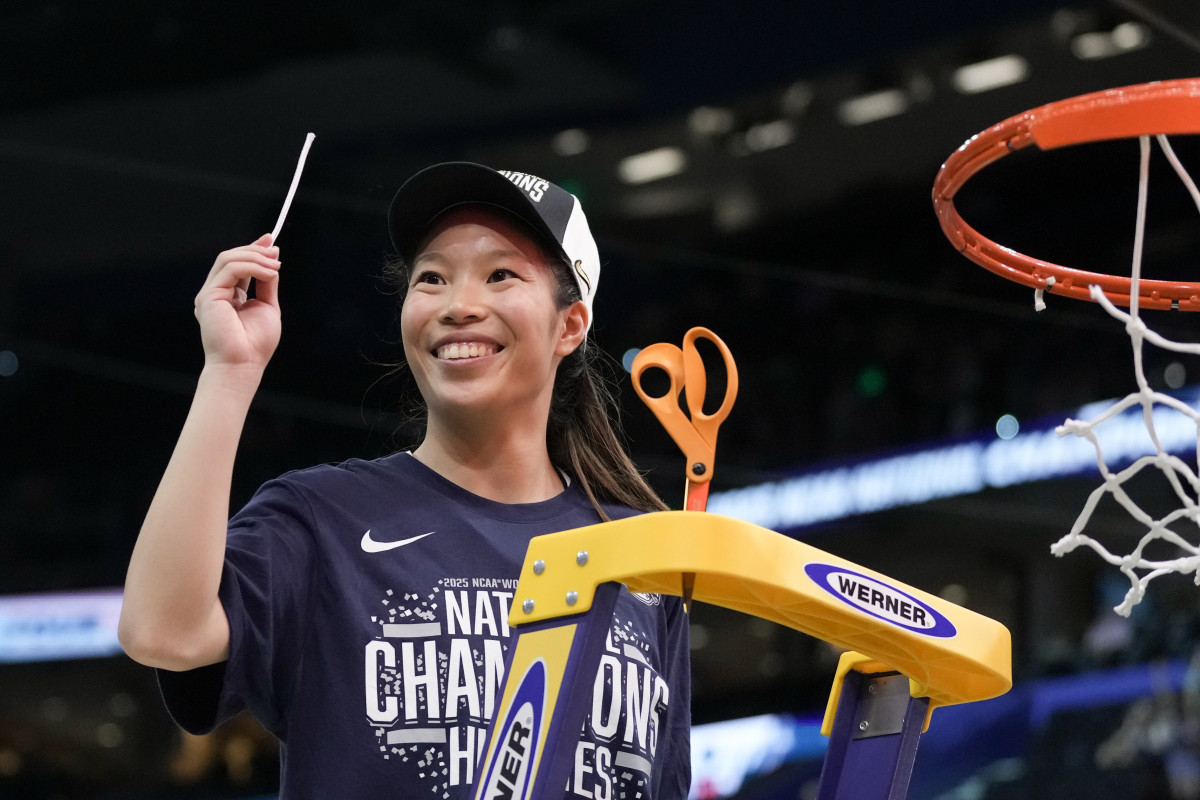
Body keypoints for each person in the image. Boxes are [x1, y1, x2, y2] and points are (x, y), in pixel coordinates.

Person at [118, 163, 692, 799]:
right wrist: (230, 371)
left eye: (500, 275)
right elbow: (161, 632)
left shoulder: (642, 558)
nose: (458, 306)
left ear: (570, 326)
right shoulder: (322, 518)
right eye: (432, 278)